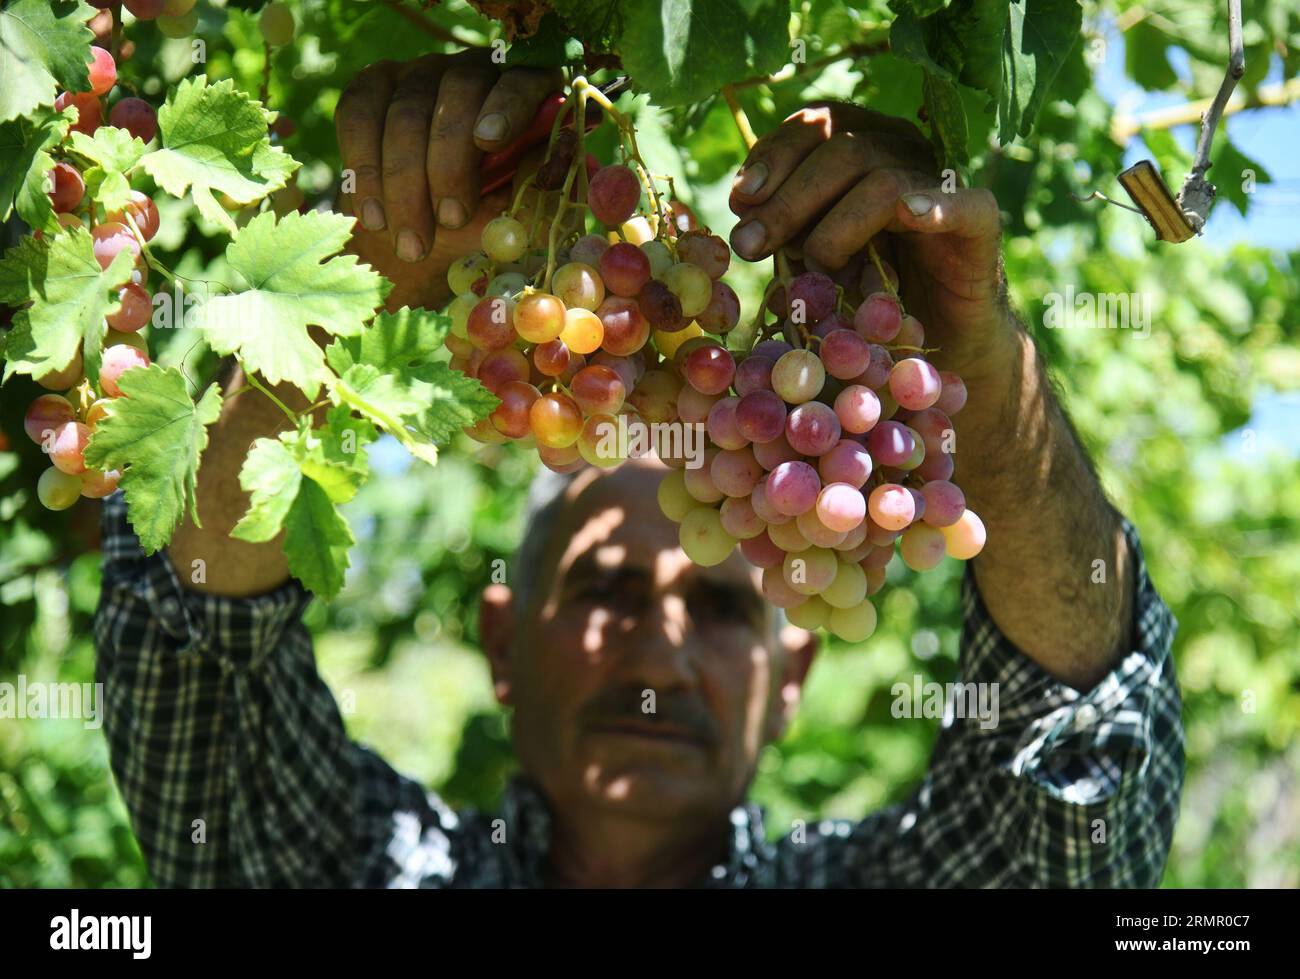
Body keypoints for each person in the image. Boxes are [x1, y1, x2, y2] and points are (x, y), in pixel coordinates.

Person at [94, 55, 1184, 888]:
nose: (659, 643)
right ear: (498, 641)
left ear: (790, 679)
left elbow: (1079, 803)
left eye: (716, 603)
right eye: (603, 588)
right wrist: (356, 279)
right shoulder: (371, 867)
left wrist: (979, 362)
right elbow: (198, 669)